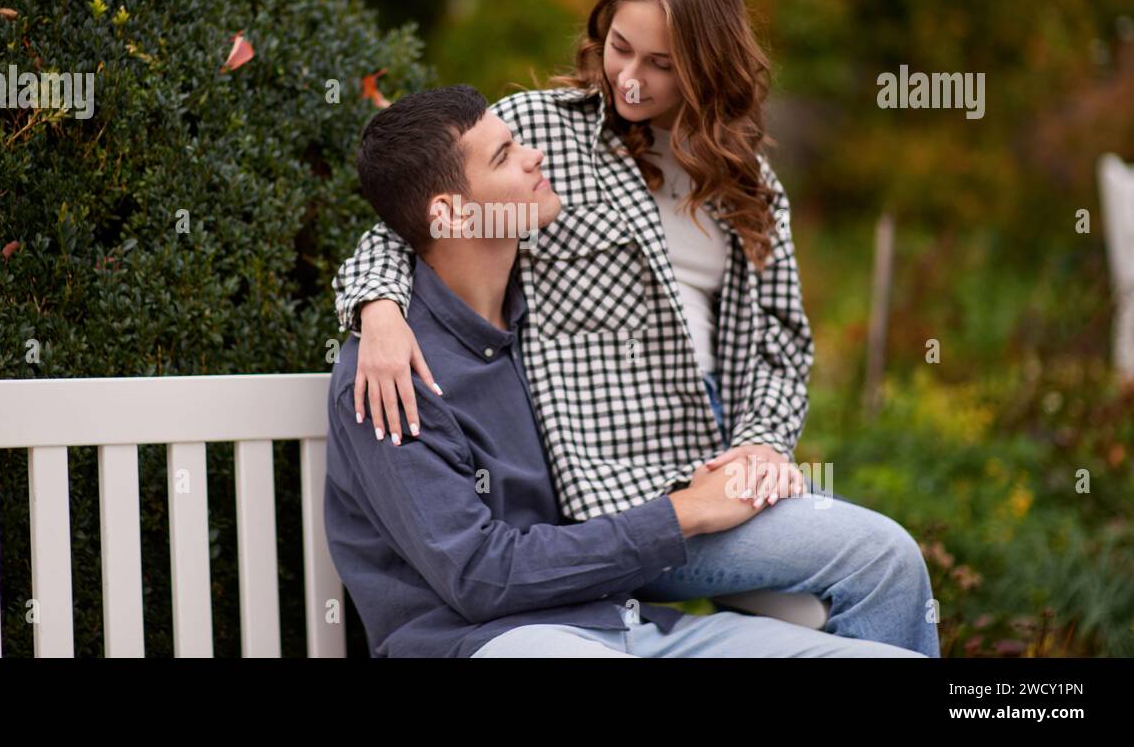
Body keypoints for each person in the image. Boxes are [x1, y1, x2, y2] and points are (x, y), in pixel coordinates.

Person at [324, 84, 928, 657]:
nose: (536, 155)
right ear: (455, 215)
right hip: (491, 642)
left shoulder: (542, 302)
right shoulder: (388, 376)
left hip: (620, 619)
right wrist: (686, 511)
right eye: (506, 154)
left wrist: (752, 450)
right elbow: (479, 576)